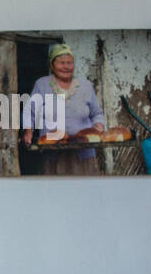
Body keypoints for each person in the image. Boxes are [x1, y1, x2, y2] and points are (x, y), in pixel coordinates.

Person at [20, 43, 104, 176]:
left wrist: (98, 125)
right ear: (52, 65)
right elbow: (29, 111)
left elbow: (96, 113)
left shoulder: (86, 86)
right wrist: (28, 132)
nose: (66, 66)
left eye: (70, 63)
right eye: (61, 63)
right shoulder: (42, 84)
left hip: (83, 152)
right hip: (52, 151)